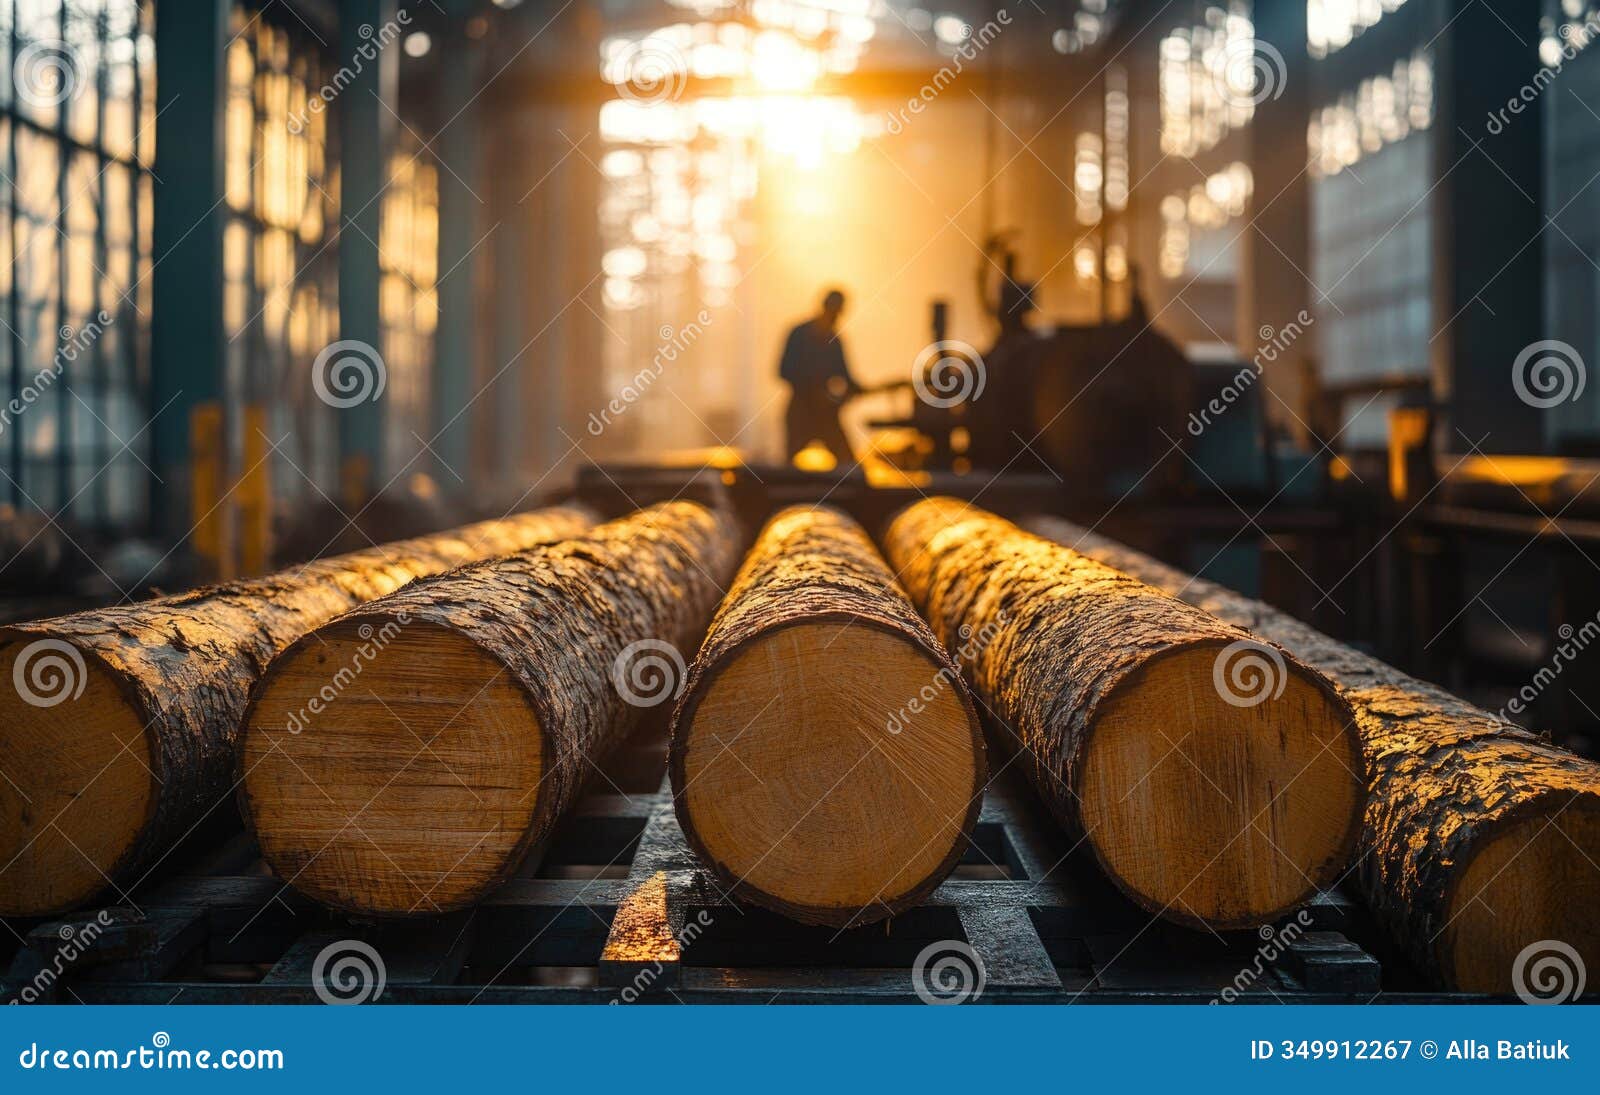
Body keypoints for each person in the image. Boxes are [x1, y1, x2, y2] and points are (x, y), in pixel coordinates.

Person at [778, 288, 860, 464]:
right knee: (790, 468)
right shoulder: (799, 334)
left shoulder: (834, 340)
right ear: (825, 308)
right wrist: (811, 389)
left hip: (826, 414)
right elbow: (783, 371)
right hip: (801, 411)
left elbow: (845, 376)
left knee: (848, 466)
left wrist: (860, 389)